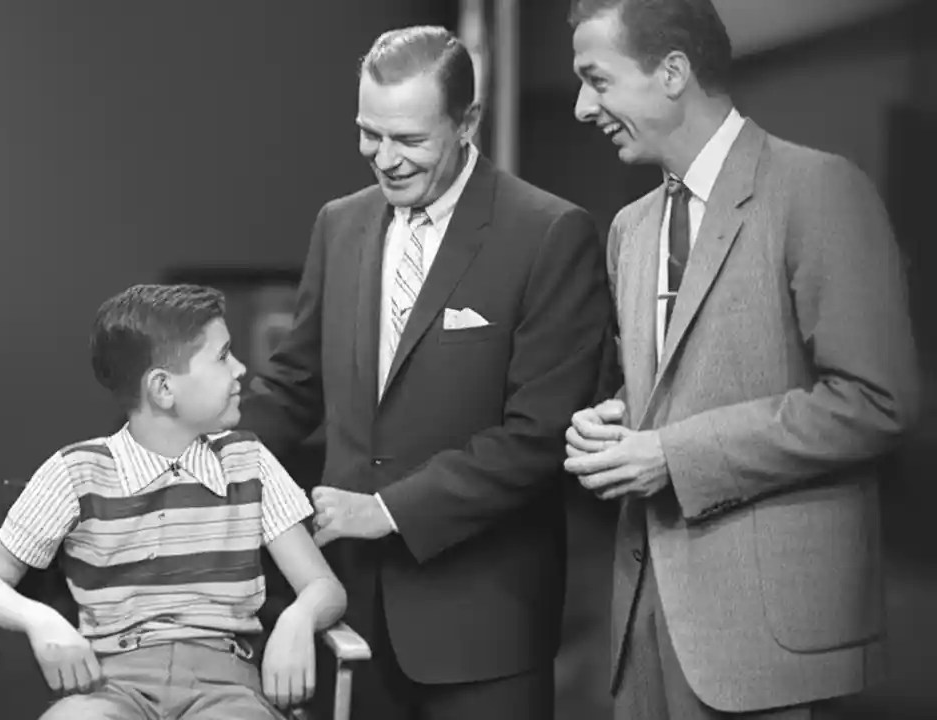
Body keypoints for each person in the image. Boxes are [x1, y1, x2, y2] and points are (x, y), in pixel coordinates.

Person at [238, 25, 613, 720]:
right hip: (350, 613)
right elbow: (294, 386)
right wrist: (201, 460)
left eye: (409, 140)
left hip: (484, 627)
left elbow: (538, 436)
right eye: (368, 134)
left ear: (467, 121)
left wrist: (385, 511)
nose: (384, 159)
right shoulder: (339, 225)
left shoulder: (549, 233)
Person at [562, 1, 920, 718]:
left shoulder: (818, 190)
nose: (579, 107)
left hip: (767, 645)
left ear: (671, 73)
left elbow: (878, 402)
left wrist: (673, 454)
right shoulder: (629, 230)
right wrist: (613, 426)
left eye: (596, 80)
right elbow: (668, 391)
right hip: (643, 631)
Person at [0, 284, 347, 719]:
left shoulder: (248, 461)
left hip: (227, 690)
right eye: (222, 356)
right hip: (109, 689)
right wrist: (38, 620)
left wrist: (299, 618)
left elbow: (322, 586)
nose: (240, 369)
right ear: (163, 389)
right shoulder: (76, 472)